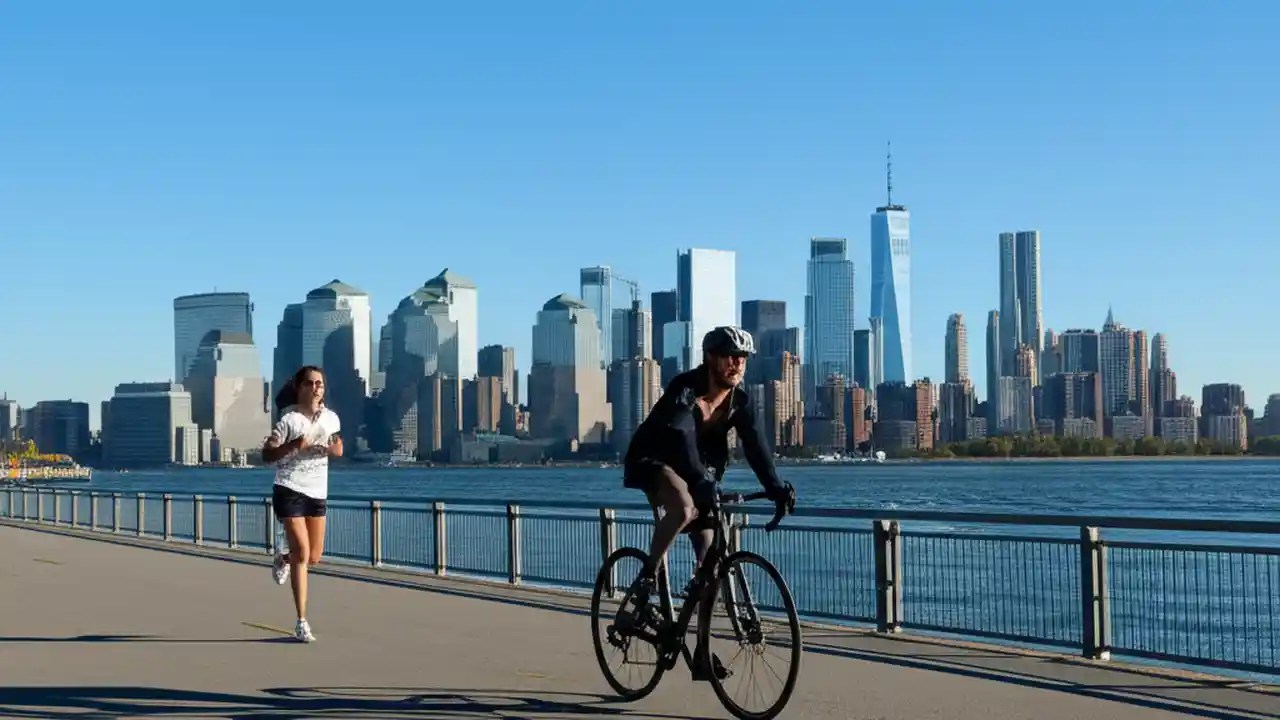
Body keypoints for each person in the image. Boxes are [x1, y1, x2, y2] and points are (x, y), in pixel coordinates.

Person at [622, 325, 793, 680]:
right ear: (711, 358)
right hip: (655, 460)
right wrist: (701, 482)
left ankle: (701, 654)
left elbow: (757, 449)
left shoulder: (739, 403)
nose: (737, 364)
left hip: (697, 470)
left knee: (711, 564)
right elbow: (681, 436)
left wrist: (776, 488)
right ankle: (647, 577)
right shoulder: (686, 389)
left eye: (743, 358)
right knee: (683, 508)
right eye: (730, 356)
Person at [262, 365, 342, 643]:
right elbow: (267, 453)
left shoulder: (331, 419)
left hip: (318, 491)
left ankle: (283, 557)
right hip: (289, 488)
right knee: (303, 551)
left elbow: (338, 446)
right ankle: (301, 621)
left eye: (319, 383)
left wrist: (332, 450)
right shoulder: (289, 421)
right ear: (299, 388)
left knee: (313, 556)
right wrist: (296, 444)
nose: (315, 387)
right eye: (309, 383)